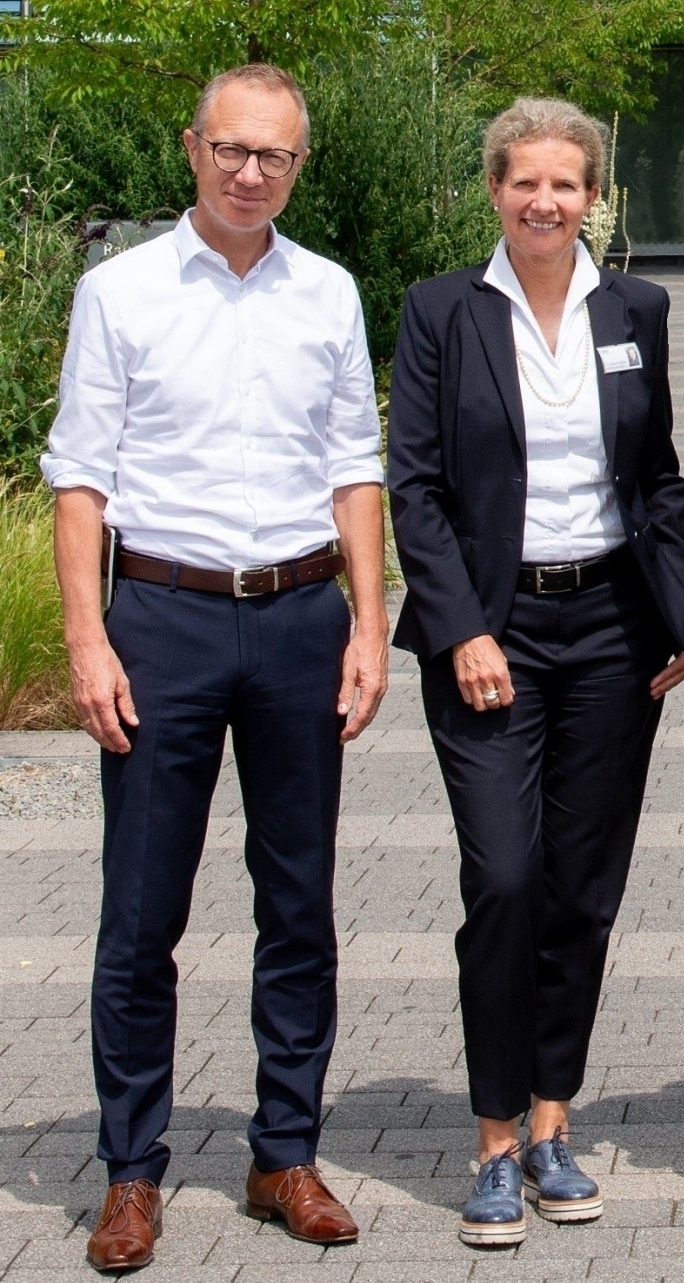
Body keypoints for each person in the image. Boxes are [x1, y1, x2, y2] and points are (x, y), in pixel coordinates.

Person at [41, 64, 386, 1272]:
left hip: (298, 619)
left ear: (300, 166)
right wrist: (88, 639)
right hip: (163, 623)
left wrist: (368, 621)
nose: (251, 172)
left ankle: (283, 1148)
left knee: (299, 907)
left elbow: (356, 463)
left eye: (275, 157)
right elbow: (79, 476)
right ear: (193, 148)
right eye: (233, 150)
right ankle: (132, 1170)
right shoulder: (119, 291)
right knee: (142, 913)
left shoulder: (327, 293)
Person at [387, 96, 684, 1248]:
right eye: (525, 180)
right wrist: (462, 625)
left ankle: (554, 1123)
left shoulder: (638, 308)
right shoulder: (440, 313)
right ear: (495, 189)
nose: (545, 200)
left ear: (594, 195)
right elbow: (413, 485)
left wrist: (679, 600)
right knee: (506, 877)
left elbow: (657, 473)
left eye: (566, 183)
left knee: (582, 886)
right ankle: (491, 1140)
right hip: (493, 631)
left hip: (612, 627)